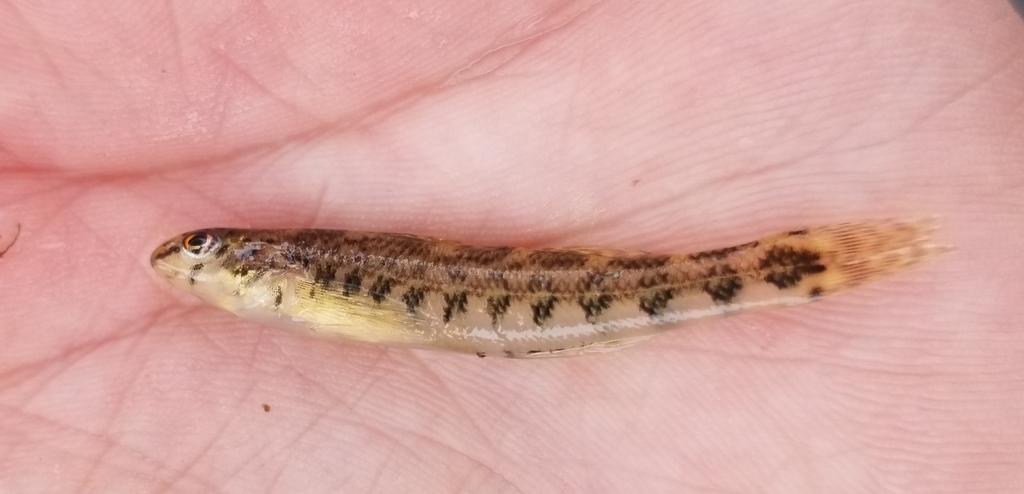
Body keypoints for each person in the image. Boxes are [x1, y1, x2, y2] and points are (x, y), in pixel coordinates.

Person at [1, 1, 1022, 492]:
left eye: (211, 248)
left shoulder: (305, 276)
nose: (194, 263)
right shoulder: (302, 275)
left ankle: (785, 267)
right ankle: (782, 270)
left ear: (268, 264)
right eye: (200, 251)